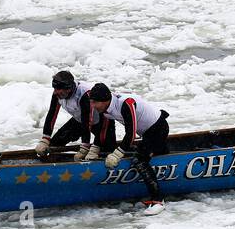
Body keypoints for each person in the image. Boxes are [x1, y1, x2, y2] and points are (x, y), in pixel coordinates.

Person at [85, 82, 171, 215]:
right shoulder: (105, 109)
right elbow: (103, 131)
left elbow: (130, 134)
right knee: (148, 151)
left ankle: (158, 200)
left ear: (105, 100)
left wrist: (117, 154)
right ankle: (161, 153)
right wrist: (95, 148)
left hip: (158, 129)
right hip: (146, 133)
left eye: (95, 102)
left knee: (139, 160)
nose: (92, 106)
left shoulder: (126, 103)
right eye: (91, 102)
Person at [34, 70, 95, 159]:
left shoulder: (84, 94)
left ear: (68, 89)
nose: (55, 92)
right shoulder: (58, 93)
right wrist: (45, 139)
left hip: (100, 121)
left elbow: (87, 121)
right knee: (54, 144)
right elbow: (52, 114)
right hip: (79, 119)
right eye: (54, 89)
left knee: (106, 148)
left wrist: (84, 147)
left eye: (57, 89)